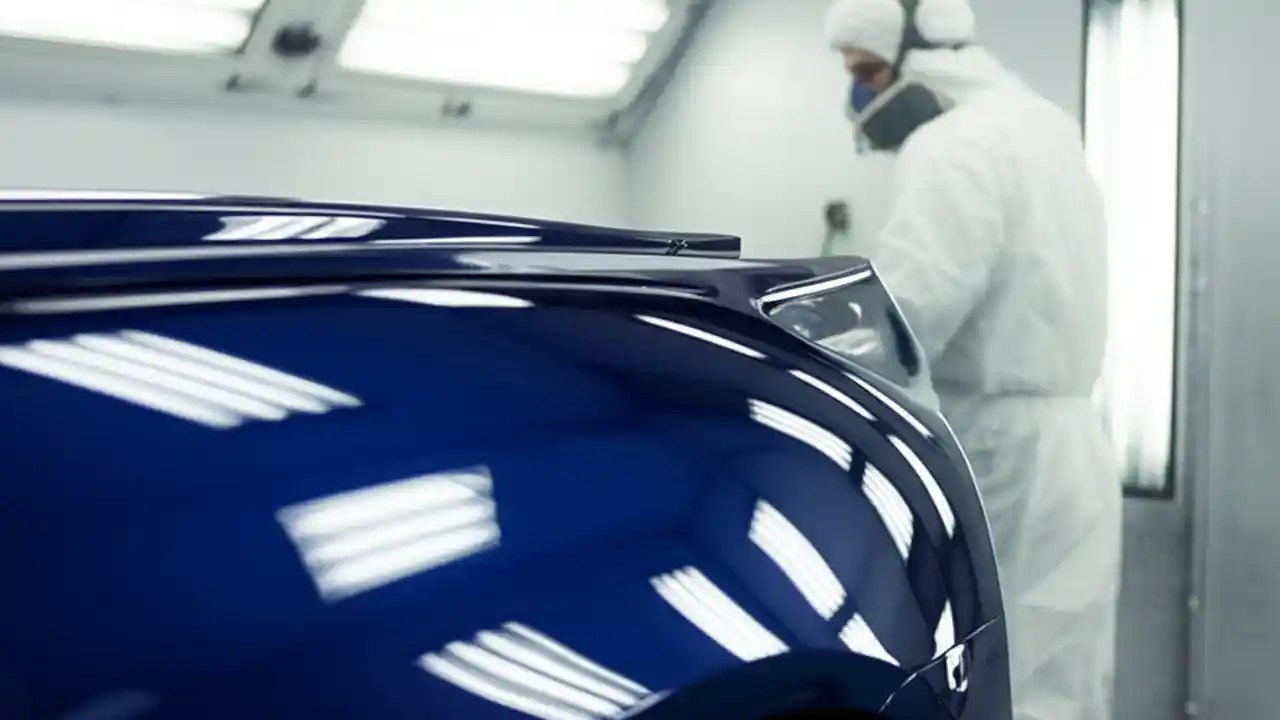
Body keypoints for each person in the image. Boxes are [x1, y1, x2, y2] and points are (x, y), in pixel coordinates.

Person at [822, 1, 1123, 718]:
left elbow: (909, 311)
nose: (858, 94)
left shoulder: (952, 146)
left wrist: (809, 352)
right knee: (1063, 676)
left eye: (865, 71)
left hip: (999, 455)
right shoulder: (1045, 127)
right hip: (1077, 452)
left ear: (912, 58)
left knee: (996, 676)